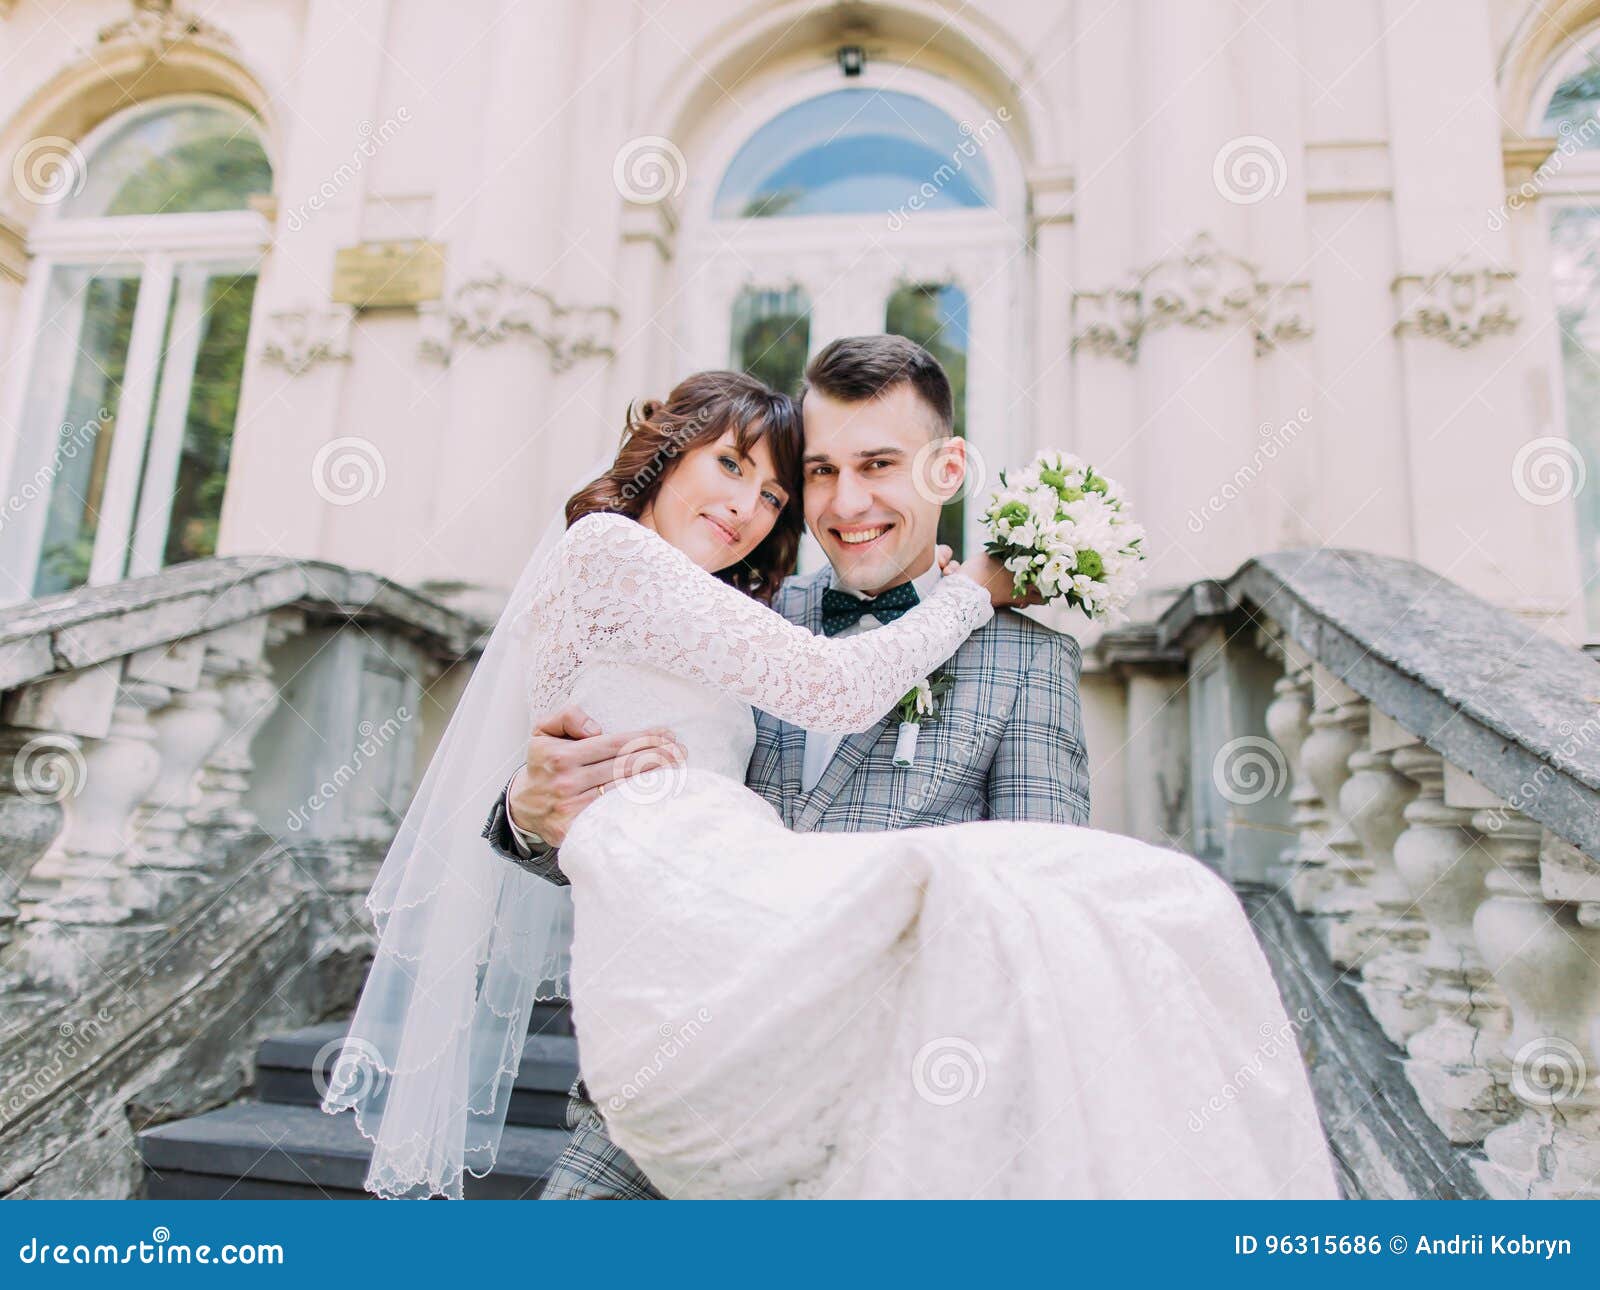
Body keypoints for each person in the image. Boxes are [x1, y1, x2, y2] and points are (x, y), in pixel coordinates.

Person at [330, 344, 1340, 1200]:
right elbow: (627, 813)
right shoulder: (733, 611)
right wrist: (527, 809)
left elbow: (1039, 916)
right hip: (663, 1101)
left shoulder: (1025, 663)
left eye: (878, 465)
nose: (842, 503)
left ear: (946, 470)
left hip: (882, 1135)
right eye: (814, 473)